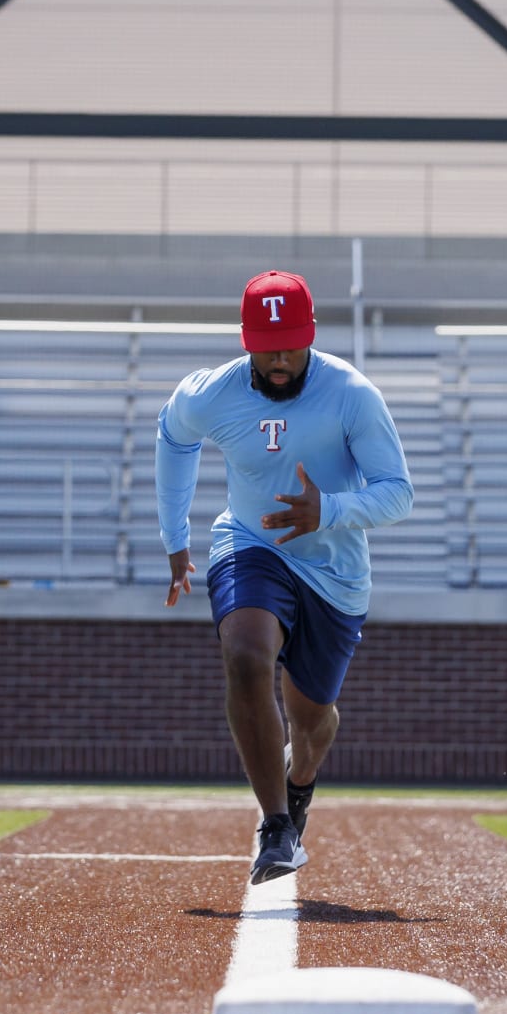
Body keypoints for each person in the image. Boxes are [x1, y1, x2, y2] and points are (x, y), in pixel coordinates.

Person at [156, 270, 414, 884]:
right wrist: (176, 538)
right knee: (245, 654)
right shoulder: (211, 393)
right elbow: (173, 436)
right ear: (246, 340)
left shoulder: (351, 393)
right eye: (266, 347)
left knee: (311, 719)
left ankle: (300, 782)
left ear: (311, 337)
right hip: (250, 542)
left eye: (291, 346)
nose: (278, 360)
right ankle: (277, 828)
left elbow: (398, 494)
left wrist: (328, 509)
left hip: (333, 571)